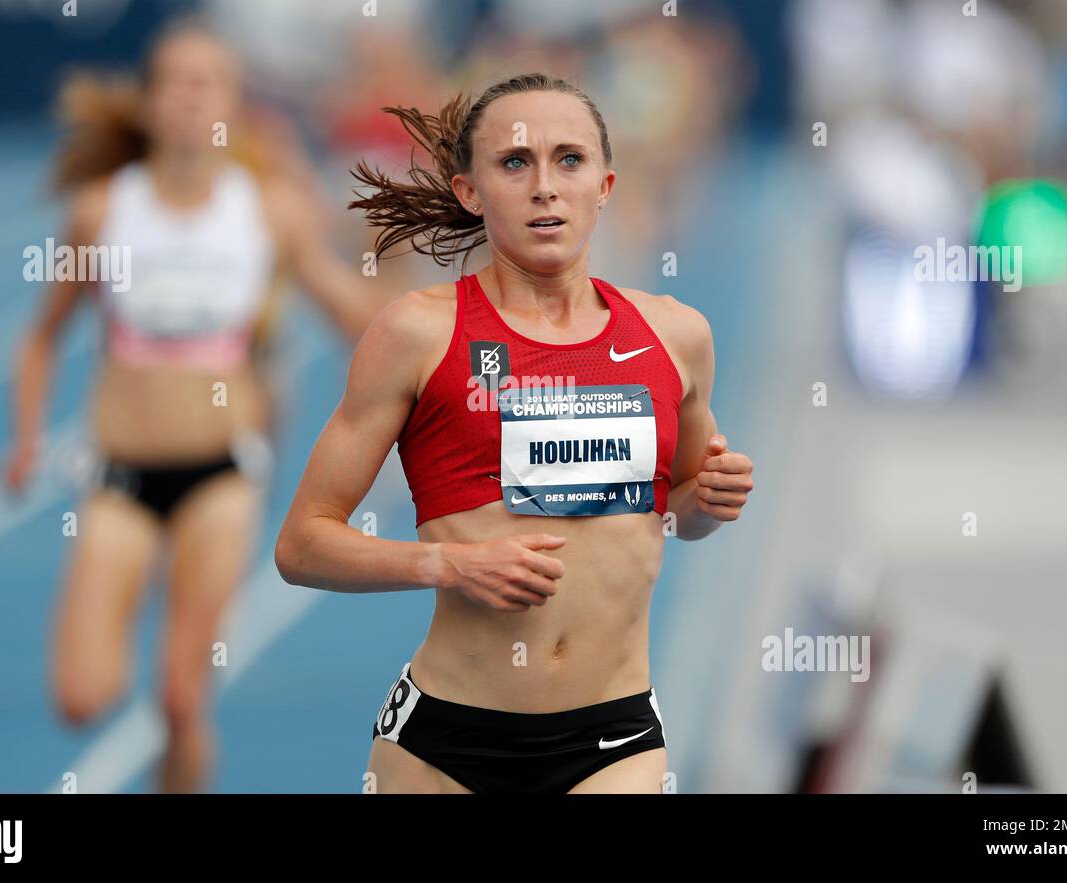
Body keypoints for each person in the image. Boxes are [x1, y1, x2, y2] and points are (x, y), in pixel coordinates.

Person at [275, 73, 755, 794]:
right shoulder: (417, 333)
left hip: (613, 738)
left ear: (606, 185)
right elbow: (302, 544)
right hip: (446, 744)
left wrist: (708, 499)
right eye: (514, 162)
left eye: (570, 160)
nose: (544, 187)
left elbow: (679, 511)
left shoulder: (676, 335)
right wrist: (447, 565)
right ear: (471, 191)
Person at [1, 18, 384, 793]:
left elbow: (355, 316)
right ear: (148, 102)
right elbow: (40, 337)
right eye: (173, 81)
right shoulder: (103, 212)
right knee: (81, 697)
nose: (187, 98)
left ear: (234, 105)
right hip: (118, 476)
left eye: (206, 82)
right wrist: (26, 438)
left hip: (222, 475)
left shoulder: (269, 211)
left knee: (181, 695)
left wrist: (451, 352)